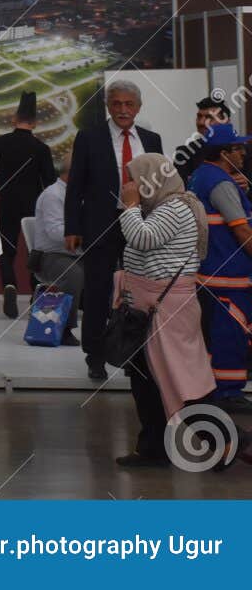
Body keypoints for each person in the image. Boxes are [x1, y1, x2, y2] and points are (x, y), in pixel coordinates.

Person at [114, 153, 218, 468]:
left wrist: (130, 206)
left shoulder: (175, 207)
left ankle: (228, 438)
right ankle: (153, 447)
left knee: (180, 379)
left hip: (167, 309)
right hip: (148, 307)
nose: (129, 184)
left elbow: (143, 239)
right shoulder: (156, 208)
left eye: (134, 177)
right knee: (145, 379)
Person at [66, 79, 163, 382]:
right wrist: (72, 227)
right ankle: (95, 356)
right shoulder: (89, 137)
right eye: (117, 103)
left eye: (128, 104)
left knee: (141, 292)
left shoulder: (152, 139)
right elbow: (75, 187)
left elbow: (160, 184)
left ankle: (136, 355)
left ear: (138, 107)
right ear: (108, 106)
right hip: (100, 226)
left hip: (143, 226)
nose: (123, 110)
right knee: (97, 292)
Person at [185, 123, 252, 410]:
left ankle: (216, 388)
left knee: (214, 334)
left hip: (209, 273)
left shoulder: (200, 176)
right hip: (230, 276)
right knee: (231, 333)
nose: (243, 153)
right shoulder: (222, 184)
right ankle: (228, 392)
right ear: (224, 153)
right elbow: (242, 231)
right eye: (238, 148)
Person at [0, 91, 57, 318]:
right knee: (37, 251)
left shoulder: (1, 142)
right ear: (35, 123)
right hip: (34, 206)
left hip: (7, 203)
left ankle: (9, 285)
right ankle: (36, 293)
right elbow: (50, 182)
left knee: (6, 249)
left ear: (14, 119)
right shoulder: (41, 149)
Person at [29, 170, 82, 345]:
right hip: (50, 256)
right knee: (74, 275)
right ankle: (64, 327)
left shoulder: (82, 194)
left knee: (110, 267)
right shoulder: (53, 195)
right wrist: (85, 235)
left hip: (77, 254)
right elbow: (55, 233)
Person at [176, 96, 232, 184]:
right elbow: (180, 191)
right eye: (199, 116)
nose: (201, 122)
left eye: (209, 118)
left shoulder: (244, 151)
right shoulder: (185, 154)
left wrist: (246, 186)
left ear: (225, 121)